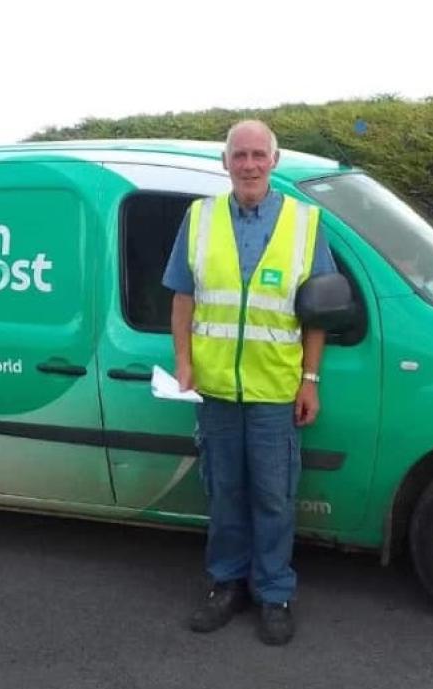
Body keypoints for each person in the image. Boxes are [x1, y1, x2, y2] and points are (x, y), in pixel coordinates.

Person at [161, 119, 337, 646]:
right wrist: (184, 362)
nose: (250, 165)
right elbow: (183, 299)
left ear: (274, 162)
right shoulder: (199, 218)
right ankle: (225, 586)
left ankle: (275, 593)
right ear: (225, 162)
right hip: (215, 390)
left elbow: (318, 313)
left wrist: (309, 380)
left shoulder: (306, 224)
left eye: (259, 155)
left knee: (274, 499)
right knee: (224, 495)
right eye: (240, 156)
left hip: (274, 393)